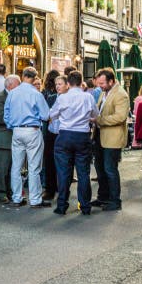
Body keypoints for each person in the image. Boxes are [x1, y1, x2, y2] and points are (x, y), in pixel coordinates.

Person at [49, 71, 98, 215]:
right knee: (83, 173)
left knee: (63, 173)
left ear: (68, 83)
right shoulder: (88, 97)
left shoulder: (62, 98)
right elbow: (95, 115)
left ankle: (62, 206)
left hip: (64, 136)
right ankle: (85, 206)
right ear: (81, 82)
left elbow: (51, 115)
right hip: (82, 136)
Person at [3, 67, 51, 208]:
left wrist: (13, 125)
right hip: (32, 130)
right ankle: (35, 199)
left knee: (16, 166)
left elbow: (6, 114)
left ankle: (17, 197)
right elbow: (45, 115)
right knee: (34, 167)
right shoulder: (36, 94)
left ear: (23, 75)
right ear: (35, 77)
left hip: (17, 131)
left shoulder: (12, 93)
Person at [92, 68, 130, 212]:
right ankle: (103, 197)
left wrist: (99, 120)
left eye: (102, 83)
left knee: (110, 170)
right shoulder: (104, 93)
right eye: (98, 83)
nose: (100, 86)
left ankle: (115, 200)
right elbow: (100, 109)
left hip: (112, 138)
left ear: (111, 81)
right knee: (100, 169)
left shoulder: (121, 95)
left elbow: (120, 117)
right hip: (99, 135)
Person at [0, 75, 20, 203]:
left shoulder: (16, 96)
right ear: (10, 85)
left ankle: (10, 191)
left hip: (14, 136)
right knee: (3, 167)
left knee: (13, 167)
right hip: (4, 138)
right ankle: (2, 193)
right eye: (18, 85)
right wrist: (18, 119)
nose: (19, 87)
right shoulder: (0, 98)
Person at [41, 70, 62, 201]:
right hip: (51, 132)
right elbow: (46, 115)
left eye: (60, 84)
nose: (58, 86)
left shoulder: (69, 98)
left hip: (63, 132)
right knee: (49, 161)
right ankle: (51, 189)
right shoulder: (51, 97)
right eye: (57, 84)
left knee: (63, 162)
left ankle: (60, 189)